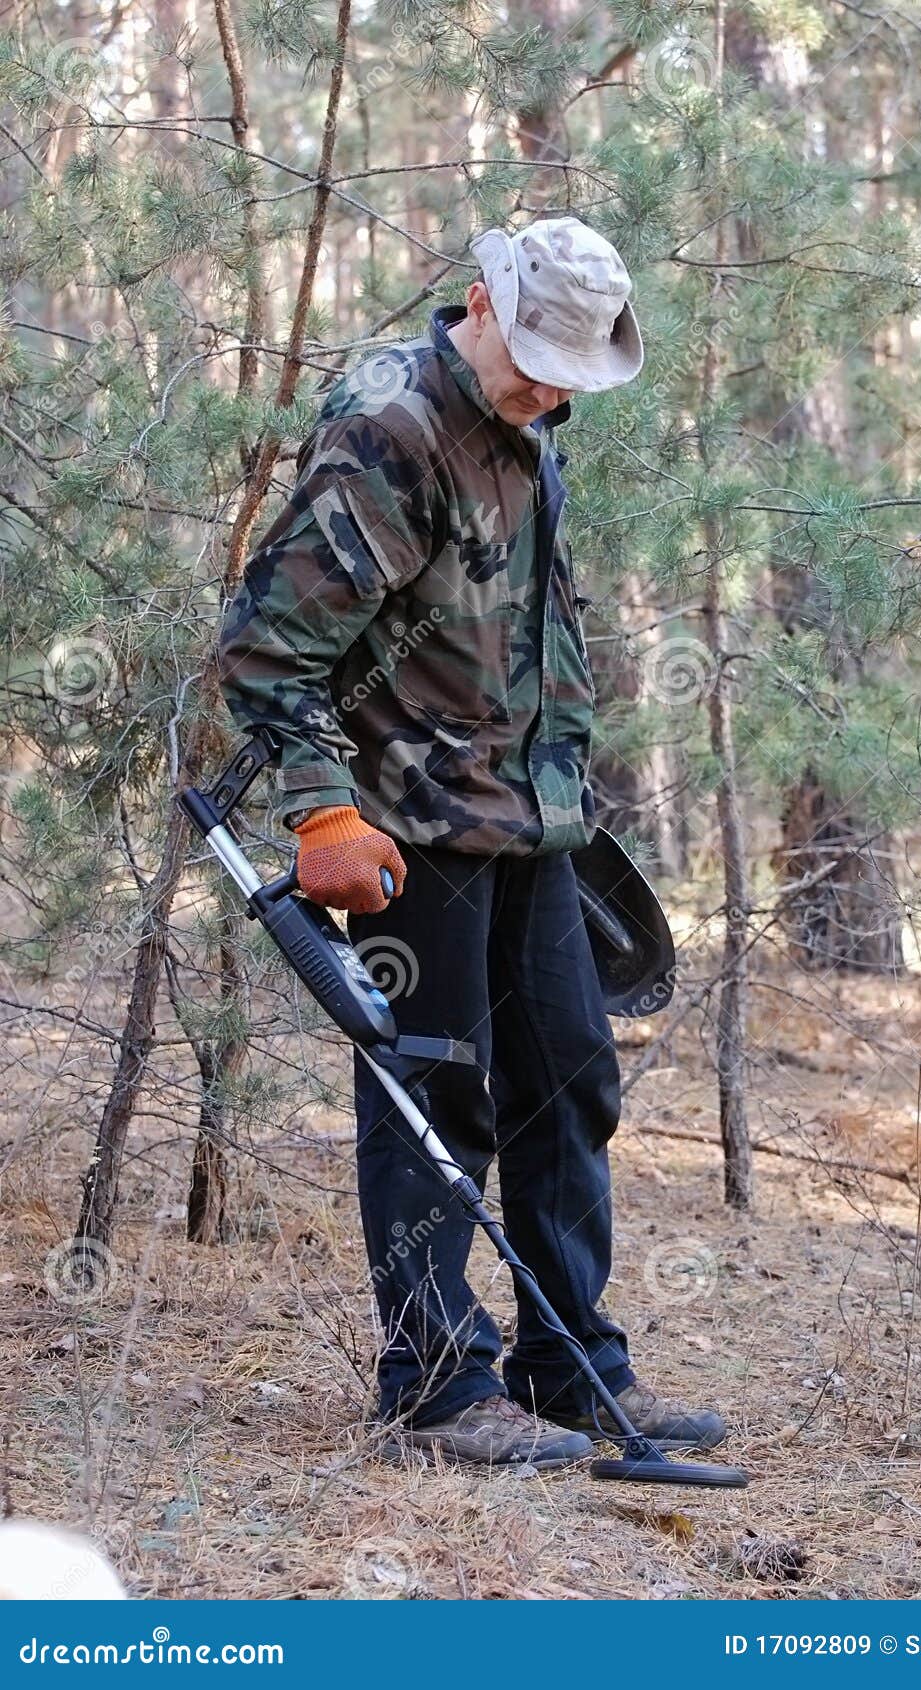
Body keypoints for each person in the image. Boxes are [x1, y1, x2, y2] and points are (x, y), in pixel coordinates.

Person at [218, 216, 727, 1469]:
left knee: (567, 1079)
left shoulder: (530, 419)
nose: (553, 385)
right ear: (476, 303)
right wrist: (321, 810)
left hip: (528, 816)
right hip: (407, 831)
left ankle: (567, 1368)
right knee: (435, 1093)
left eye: (573, 363)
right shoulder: (389, 430)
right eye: (536, 355)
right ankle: (438, 1388)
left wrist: (566, 802)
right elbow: (266, 647)